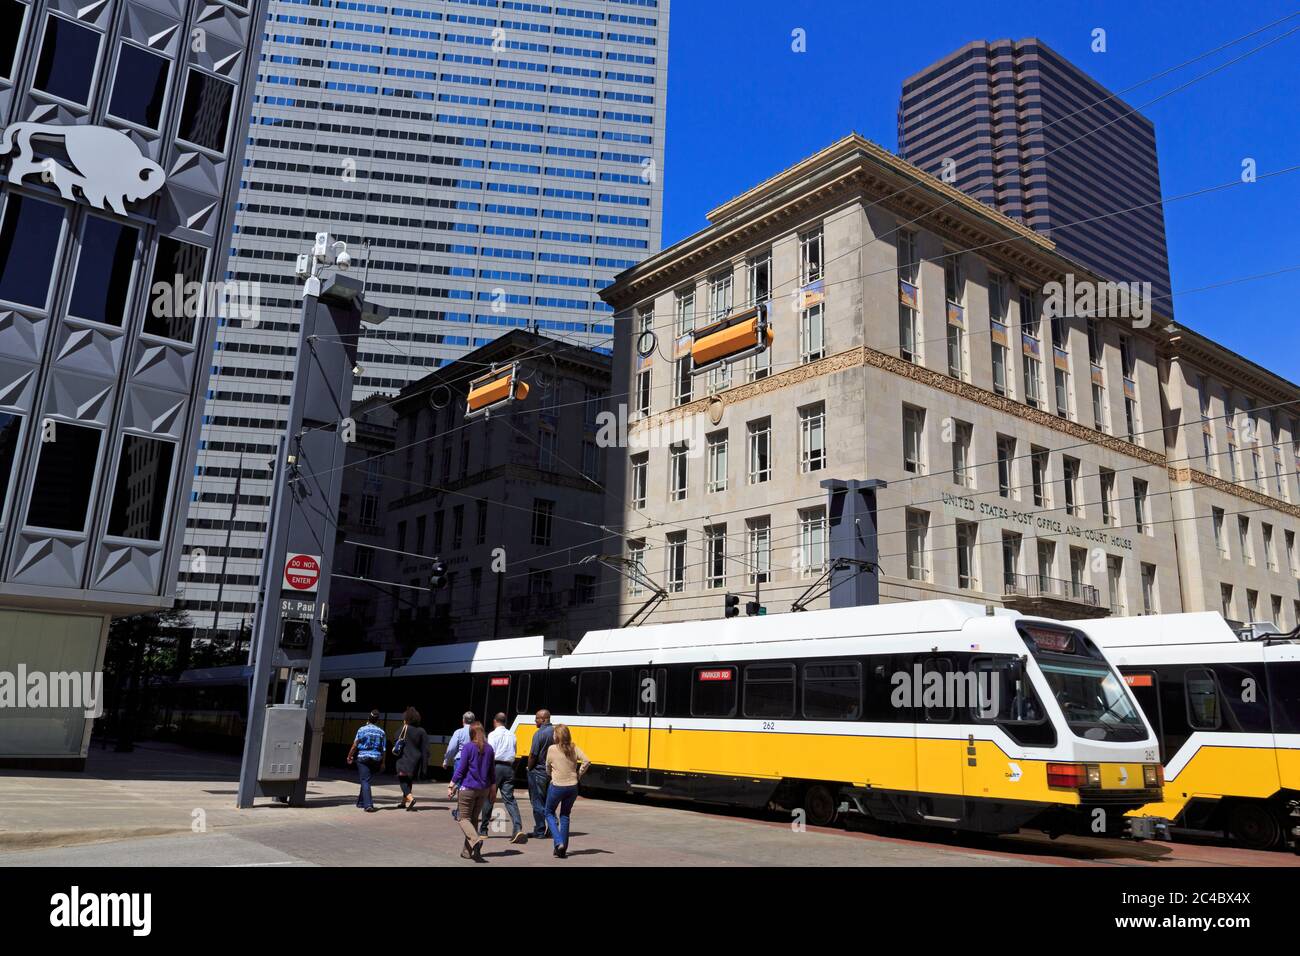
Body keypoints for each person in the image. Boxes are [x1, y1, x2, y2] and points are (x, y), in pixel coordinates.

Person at [448, 720, 495, 861]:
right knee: (473, 820)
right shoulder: (489, 748)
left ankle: (476, 840)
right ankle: (468, 852)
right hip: (483, 790)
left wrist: (451, 784)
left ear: (471, 733)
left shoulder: (468, 747)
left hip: (468, 788)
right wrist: (493, 790)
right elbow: (492, 772)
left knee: (463, 818)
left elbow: (461, 769)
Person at [543, 724, 590, 858]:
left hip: (557, 786)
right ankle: (562, 850)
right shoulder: (574, 747)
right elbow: (587, 760)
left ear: (557, 736)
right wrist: (579, 774)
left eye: (554, 733)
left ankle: (558, 842)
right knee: (565, 815)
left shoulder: (552, 749)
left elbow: (547, 766)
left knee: (548, 812)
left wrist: (551, 774)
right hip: (573, 787)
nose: (552, 736)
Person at [479, 712, 525, 843]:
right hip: (509, 768)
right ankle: (517, 828)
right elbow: (514, 752)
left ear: (495, 721)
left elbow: (490, 752)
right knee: (509, 799)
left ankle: (483, 830)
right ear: (505, 722)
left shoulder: (493, 735)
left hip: (495, 767)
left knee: (489, 797)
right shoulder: (512, 734)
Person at [346, 710, 387, 812]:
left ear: (368, 719)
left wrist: (349, 756)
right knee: (366, 779)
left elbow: (355, 745)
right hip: (376, 758)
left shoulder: (362, 730)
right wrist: (383, 763)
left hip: (363, 758)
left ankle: (368, 805)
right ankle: (360, 802)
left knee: (365, 780)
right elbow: (384, 749)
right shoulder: (382, 732)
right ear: (377, 720)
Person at [525, 709, 554, 838]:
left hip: (538, 772)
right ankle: (552, 828)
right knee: (549, 801)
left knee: (537, 801)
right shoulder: (556, 732)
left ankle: (540, 830)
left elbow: (533, 754)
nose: (535, 721)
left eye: (537, 718)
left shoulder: (539, 733)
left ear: (544, 719)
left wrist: (529, 768)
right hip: (552, 773)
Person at [394, 706, 428, 811]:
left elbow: (396, 738)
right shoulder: (422, 731)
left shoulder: (404, 728)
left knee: (402, 780)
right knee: (409, 780)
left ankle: (410, 798)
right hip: (415, 762)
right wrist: (424, 767)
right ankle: (403, 802)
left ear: (406, 718)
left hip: (404, 760)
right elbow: (425, 750)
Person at [443, 711, 475, 820]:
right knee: (469, 785)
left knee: (460, 785)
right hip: (473, 761)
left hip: (460, 760)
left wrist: (446, 760)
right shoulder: (476, 732)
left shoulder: (459, 732)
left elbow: (451, 748)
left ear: (463, 720)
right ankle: (467, 811)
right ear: (473, 721)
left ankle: (460, 812)